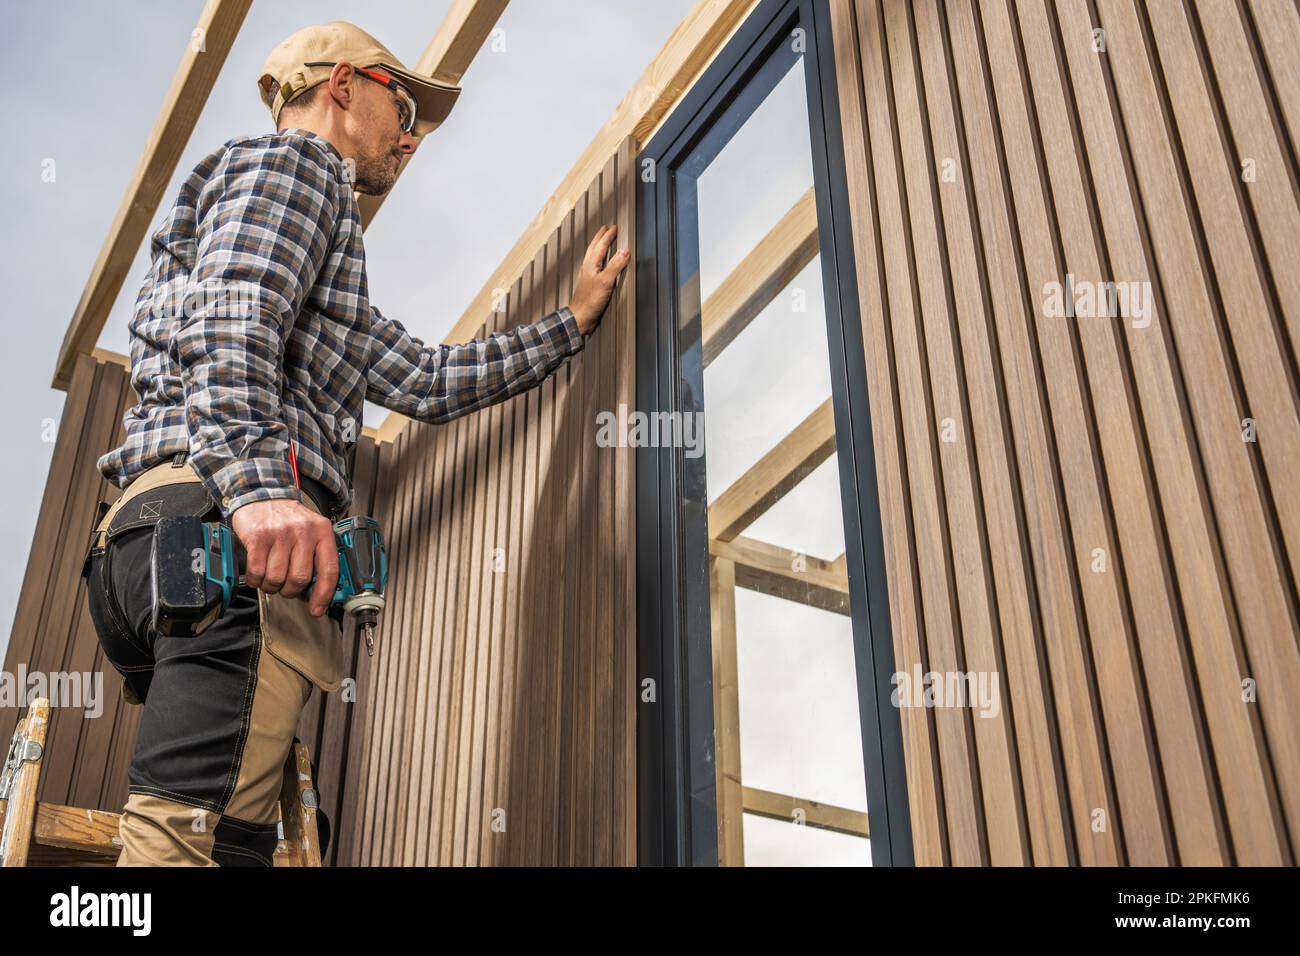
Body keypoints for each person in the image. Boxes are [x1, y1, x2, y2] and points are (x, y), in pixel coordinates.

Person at [84, 20, 629, 866]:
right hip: (228, 541)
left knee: (206, 830)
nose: (410, 135)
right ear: (341, 84)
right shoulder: (299, 167)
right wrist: (261, 488)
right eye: (401, 104)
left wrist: (570, 323)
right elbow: (234, 310)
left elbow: (429, 379)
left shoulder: (314, 270)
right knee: (189, 849)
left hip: (153, 547)